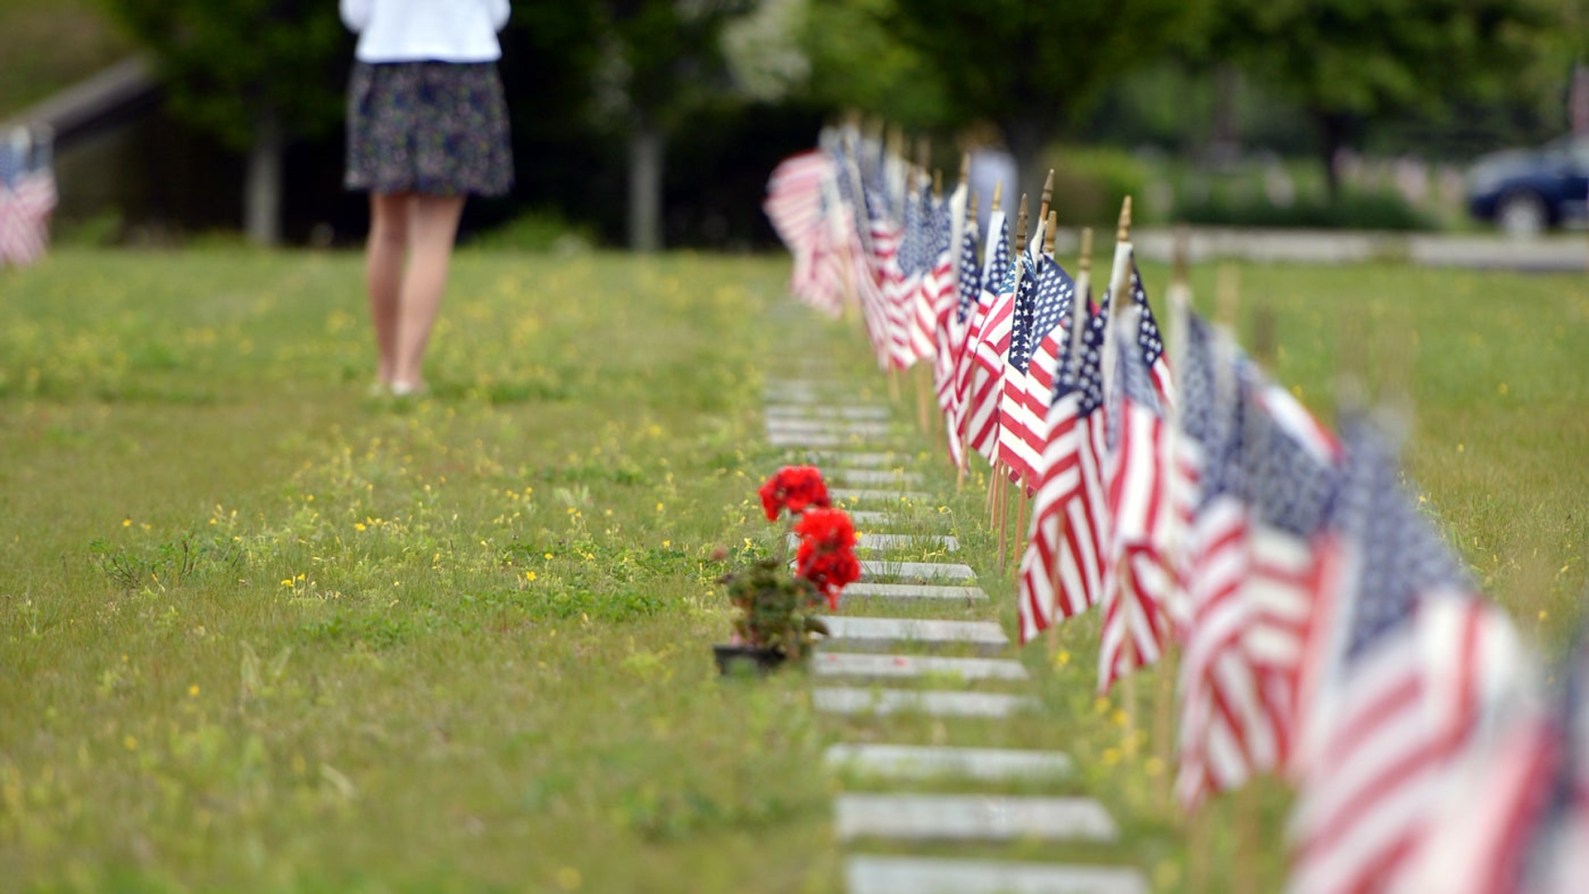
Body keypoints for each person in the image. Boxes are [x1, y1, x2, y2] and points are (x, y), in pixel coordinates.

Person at [340, 0, 514, 397]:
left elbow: (356, 14)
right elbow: (496, 13)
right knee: (433, 238)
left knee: (388, 231)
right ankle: (408, 375)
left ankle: (386, 370)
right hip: (461, 71)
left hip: (386, 69)